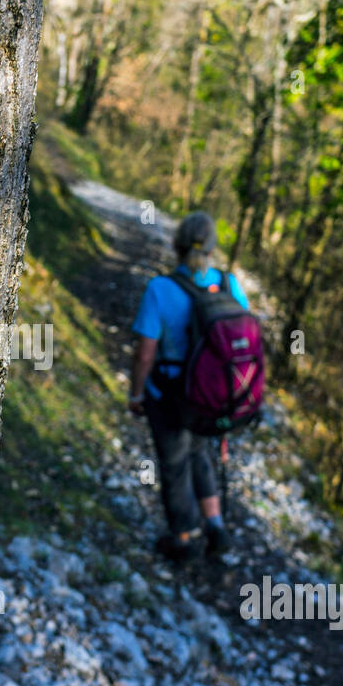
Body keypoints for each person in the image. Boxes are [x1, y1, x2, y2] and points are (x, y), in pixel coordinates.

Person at [128, 211, 249, 561]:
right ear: (212, 247)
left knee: (174, 462)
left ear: (176, 244)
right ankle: (215, 525)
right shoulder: (229, 284)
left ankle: (182, 538)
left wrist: (136, 393)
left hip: (169, 394)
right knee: (199, 451)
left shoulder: (160, 288)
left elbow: (145, 353)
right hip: (213, 395)